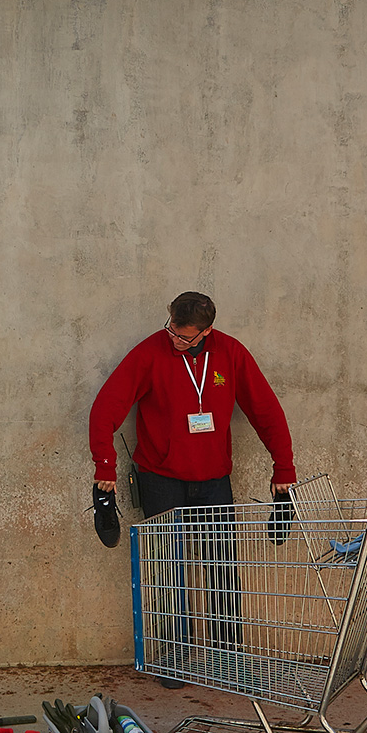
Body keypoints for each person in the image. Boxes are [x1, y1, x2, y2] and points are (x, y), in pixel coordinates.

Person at [88, 291, 295, 686]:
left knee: (222, 567)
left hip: (213, 480)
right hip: (160, 478)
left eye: (184, 336)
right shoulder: (150, 353)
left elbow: (266, 411)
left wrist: (283, 467)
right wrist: (105, 465)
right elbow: (106, 407)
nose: (174, 339)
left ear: (206, 331)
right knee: (169, 571)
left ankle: (228, 655)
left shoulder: (231, 354)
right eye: (171, 330)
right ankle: (175, 655)